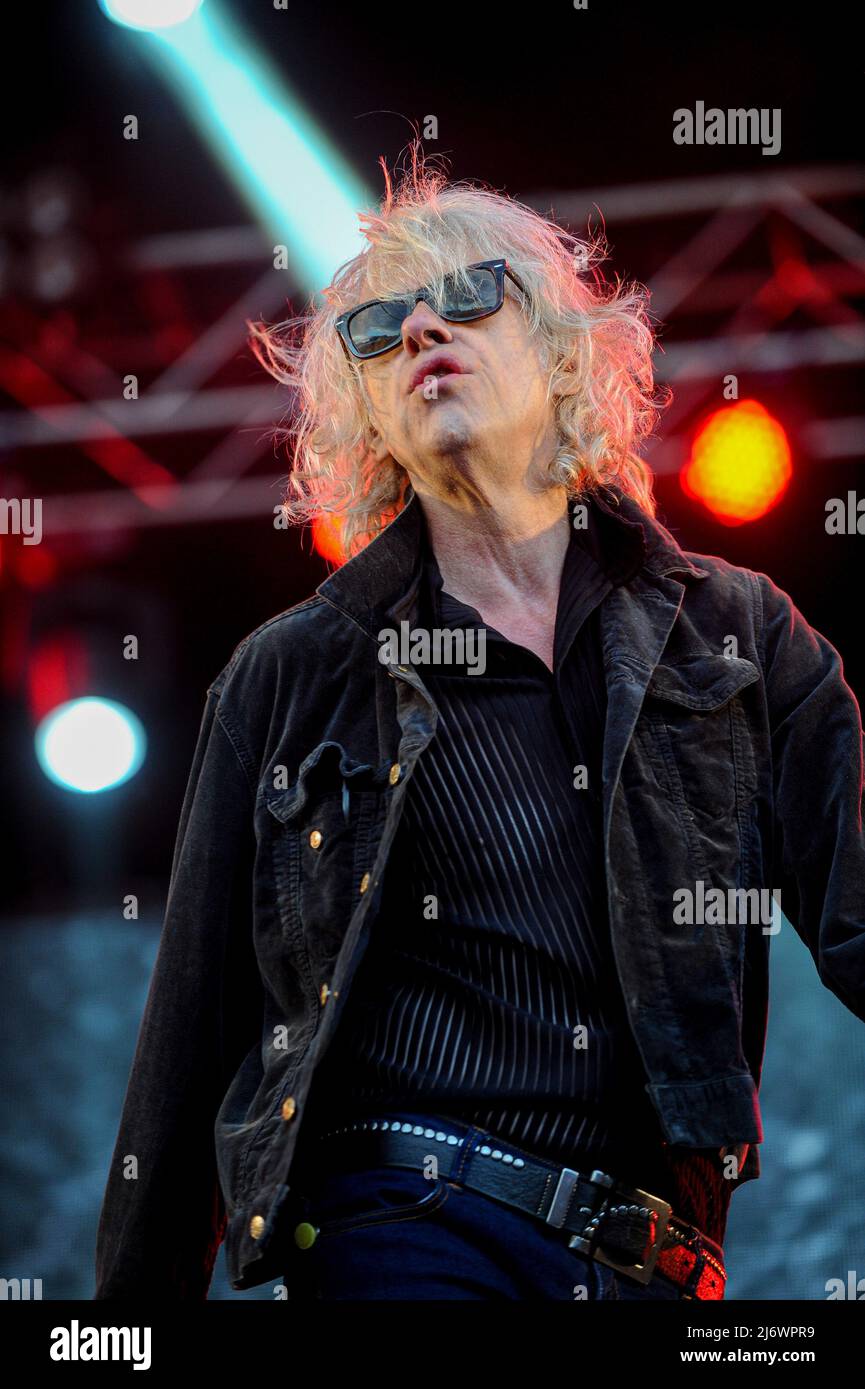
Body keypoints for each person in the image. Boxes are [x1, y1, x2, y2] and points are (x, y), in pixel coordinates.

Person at [94, 152, 865, 1302]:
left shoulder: (741, 634)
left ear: (562, 352)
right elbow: (187, 1050)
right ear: (360, 410)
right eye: (376, 327)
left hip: (657, 1262)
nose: (419, 333)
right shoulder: (293, 675)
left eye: (465, 296)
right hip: (401, 1225)